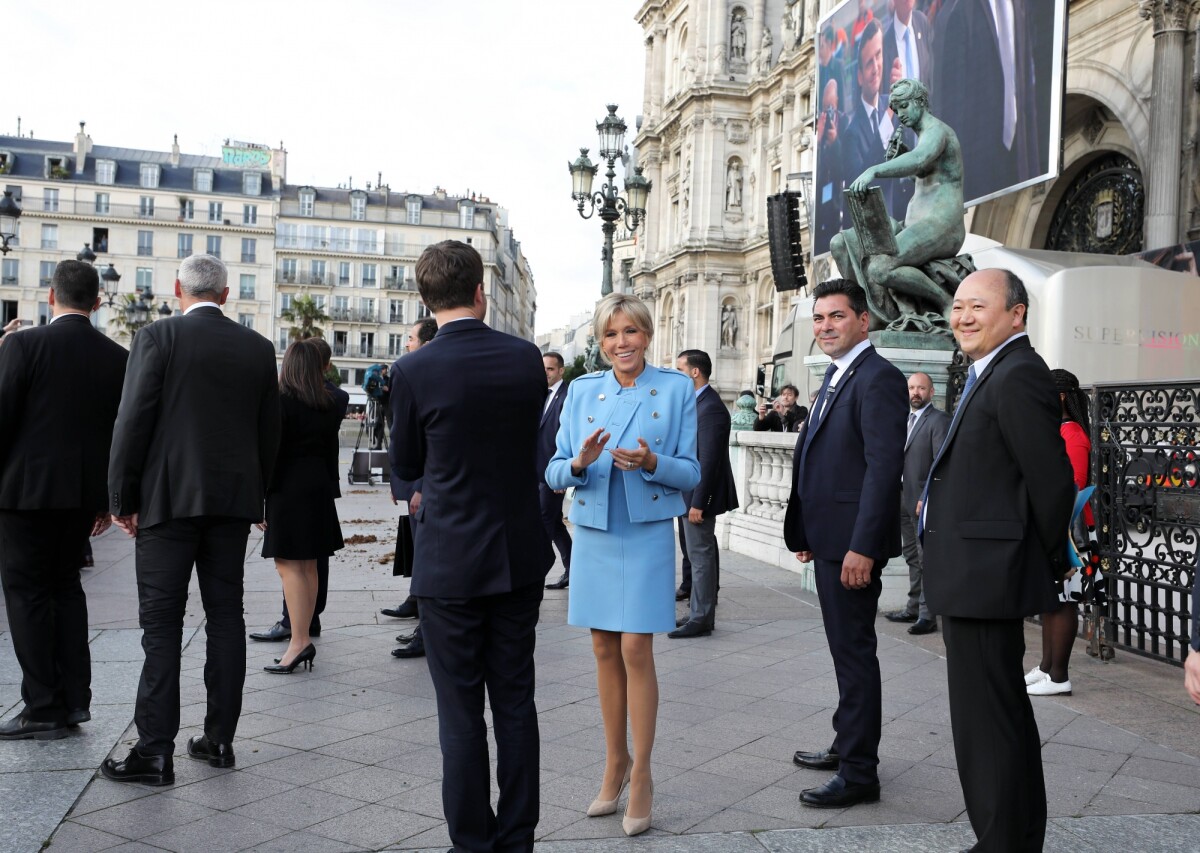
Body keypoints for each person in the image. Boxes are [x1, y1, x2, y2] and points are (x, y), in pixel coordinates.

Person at [390, 240, 553, 852]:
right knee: (515, 703)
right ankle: (517, 839)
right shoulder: (524, 360)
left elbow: (406, 463)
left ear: (427, 301)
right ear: (482, 292)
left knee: (459, 715)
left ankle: (470, 843)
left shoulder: (412, 370)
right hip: (518, 555)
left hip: (449, 562)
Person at [103, 254, 280, 785]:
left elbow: (132, 420)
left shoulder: (158, 337)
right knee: (227, 616)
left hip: (168, 502)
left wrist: (120, 497)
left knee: (161, 627)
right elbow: (269, 432)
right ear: (227, 295)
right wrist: (258, 497)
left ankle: (154, 750)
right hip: (231, 505)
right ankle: (219, 740)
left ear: (178, 288)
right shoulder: (258, 348)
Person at [921, 268, 1074, 852]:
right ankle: (1006, 836)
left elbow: (1052, 482)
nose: (962, 316)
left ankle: (1003, 842)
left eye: (977, 306)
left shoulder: (1016, 375)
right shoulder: (990, 371)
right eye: (957, 305)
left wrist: (1026, 558)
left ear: (1016, 314)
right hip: (974, 575)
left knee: (990, 723)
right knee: (989, 719)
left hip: (987, 578)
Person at [546, 292, 699, 836]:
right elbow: (554, 471)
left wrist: (653, 461)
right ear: (600, 341)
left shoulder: (678, 388)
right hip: (594, 529)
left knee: (637, 645)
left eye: (630, 331)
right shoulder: (582, 392)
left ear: (648, 335)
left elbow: (690, 472)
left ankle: (644, 775)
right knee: (602, 645)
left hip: (647, 530)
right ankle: (615, 763)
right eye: (611, 334)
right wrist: (580, 463)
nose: (621, 343)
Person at [784, 278, 907, 809]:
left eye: (836, 316)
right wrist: (810, 532)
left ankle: (860, 772)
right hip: (830, 538)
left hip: (854, 546)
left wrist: (862, 546)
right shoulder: (837, 376)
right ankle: (847, 741)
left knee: (855, 654)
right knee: (843, 650)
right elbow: (823, 456)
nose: (825, 326)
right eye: (818, 318)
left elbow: (883, 469)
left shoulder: (878, 378)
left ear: (863, 320)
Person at [0, 260, 127, 740]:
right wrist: (105, 499)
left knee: (27, 594)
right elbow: (118, 435)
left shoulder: (23, 344)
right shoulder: (116, 356)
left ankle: (43, 705)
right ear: (97, 302)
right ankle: (75, 701)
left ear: (50, 296)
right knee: (66, 589)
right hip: (79, 498)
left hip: (24, 495)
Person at [835, 77, 967, 331]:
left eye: (904, 106)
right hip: (913, 225)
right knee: (840, 243)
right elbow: (923, 170)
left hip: (942, 225)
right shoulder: (923, 138)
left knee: (880, 268)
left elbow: (918, 160)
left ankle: (945, 300)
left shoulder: (938, 131)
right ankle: (870, 311)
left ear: (920, 102)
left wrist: (874, 170)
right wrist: (904, 153)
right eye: (895, 109)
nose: (900, 115)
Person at [250, 337, 348, 644]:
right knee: (310, 566)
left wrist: (259, 499)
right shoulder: (331, 403)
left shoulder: (280, 402)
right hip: (318, 490)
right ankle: (304, 633)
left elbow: (270, 455)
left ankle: (298, 641)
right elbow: (330, 450)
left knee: (288, 567)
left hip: (287, 492)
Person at [933, 0, 1054, 201]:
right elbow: (954, 113)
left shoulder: (1019, 7)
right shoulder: (960, 12)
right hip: (982, 175)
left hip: (1020, 161)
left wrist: (1036, 171)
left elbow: (1027, 97)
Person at [1026, 368, 1094, 696]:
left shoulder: (1073, 434)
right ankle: (1046, 668)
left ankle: (1059, 675)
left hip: (1069, 533)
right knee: (1053, 599)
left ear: (1062, 397)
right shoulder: (1059, 431)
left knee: (1065, 601)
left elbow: (1075, 486)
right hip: (1056, 527)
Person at [670, 349, 736, 639]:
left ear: (694, 372)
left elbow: (709, 461)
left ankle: (701, 618)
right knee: (700, 554)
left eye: (680, 369)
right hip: (688, 494)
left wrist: (699, 503)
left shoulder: (711, 407)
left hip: (698, 497)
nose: (676, 374)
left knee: (700, 557)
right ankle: (701, 611)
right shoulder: (698, 403)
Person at [387, 317, 438, 660]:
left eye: (410, 338)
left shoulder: (426, 375)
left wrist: (416, 484)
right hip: (418, 482)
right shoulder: (412, 372)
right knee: (420, 551)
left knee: (429, 556)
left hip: (430, 485)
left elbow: (431, 442)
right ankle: (418, 607)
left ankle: (428, 630)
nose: (406, 344)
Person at [883, 371, 949, 635]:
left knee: (925, 558)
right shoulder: (902, 420)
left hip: (922, 500)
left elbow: (940, 463)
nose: (915, 393)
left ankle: (927, 615)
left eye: (921, 388)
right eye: (911, 388)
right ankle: (912, 607)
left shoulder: (938, 420)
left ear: (931, 392)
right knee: (910, 555)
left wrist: (926, 497)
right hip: (900, 496)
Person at [880, 0, 933, 214]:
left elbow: (932, 78)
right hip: (905, 154)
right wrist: (891, 90)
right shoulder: (884, 44)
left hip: (928, 135)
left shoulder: (922, 23)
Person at [841, 21, 896, 214]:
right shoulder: (851, 135)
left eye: (878, 56)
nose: (875, 68)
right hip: (875, 233)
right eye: (868, 63)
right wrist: (889, 116)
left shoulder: (894, 103)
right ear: (859, 76)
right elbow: (861, 189)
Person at [541, 352, 573, 591]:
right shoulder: (540, 394)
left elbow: (571, 437)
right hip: (537, 469)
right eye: (543, 369)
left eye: (550, 369)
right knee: (553, 522)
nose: (546, 373)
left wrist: (562, 474)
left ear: (561, 371)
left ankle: (538, 569)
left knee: (544, 521)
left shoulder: (568, 396)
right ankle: (573, 569)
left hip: (554, 472)